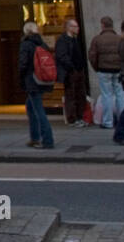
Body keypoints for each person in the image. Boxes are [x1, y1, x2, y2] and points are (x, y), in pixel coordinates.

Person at [18, 21, 54, 149]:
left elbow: (23, 64)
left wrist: (21, 78)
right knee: (31, 107)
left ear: (26, 32)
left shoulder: (26, 44)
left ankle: (47, 140)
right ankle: (34, 137)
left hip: (31, 80)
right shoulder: (42, 43)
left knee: (38, 110)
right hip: (41, 79)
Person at [87, 16, 124, 130]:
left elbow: (92, 56)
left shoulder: (97, 39)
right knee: (120, 94)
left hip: (104, 69)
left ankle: (108, 121)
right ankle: (123, 119)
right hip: (118, 70)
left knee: (106, 95)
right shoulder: (119, 39)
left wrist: (97, 68)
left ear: (102, 25)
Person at [54, 18, 88, 127]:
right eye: (75, 26)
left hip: (79, 70)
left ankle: (79, 117)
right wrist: (71, 68)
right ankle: (72, 119)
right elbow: (61, 56)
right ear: (69, 27)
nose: (77, 28)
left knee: (80, 95)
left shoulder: (75, 39)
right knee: (71, 95)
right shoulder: (63, 40)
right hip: (70, 72)